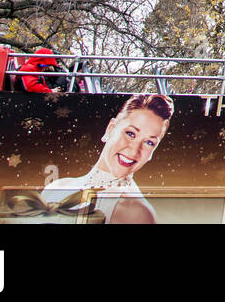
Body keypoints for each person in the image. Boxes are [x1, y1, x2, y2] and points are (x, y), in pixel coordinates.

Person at [42, 93, 173, 223]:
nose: (134, 150)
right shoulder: (58, 187)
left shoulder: (136, 212)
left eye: (149, 142)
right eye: (130, 134)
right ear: (110, 129)